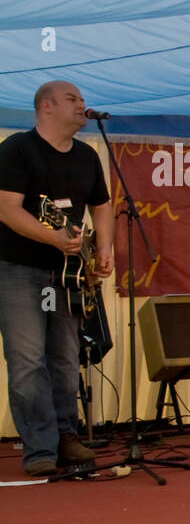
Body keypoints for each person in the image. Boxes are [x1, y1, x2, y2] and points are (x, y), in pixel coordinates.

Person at [0, 81, 114, 476]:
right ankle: (39, 446)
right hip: (19, 269)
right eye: (73, 99)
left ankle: (67, 435)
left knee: (66, 356)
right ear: (46, 106)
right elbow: (7, 209)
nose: (83, 105)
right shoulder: (17, 149)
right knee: (28, 359)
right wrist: (52, 237)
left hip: (69, 274)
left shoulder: (87, 155)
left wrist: (104, 248)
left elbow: (102, 205)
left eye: (83, 99)